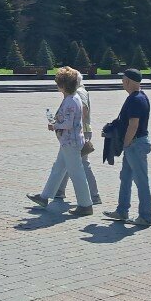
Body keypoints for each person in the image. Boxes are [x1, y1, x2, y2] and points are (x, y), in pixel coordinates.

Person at [26, 67, 92, 216]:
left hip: (71, 142)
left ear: (63, 85)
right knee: (58, 169)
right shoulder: (73, 98)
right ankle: (44, 197)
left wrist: (55, 125)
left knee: (77, 173)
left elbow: (68, 124)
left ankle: (85, 205)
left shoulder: (70, 100)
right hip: (69, 142)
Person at [103, 69, 151, 226]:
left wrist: (126, 143)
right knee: (125, 178)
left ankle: (145, 216)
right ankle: (122, 211)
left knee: (141, 180)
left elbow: (133, 124)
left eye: (123, 79)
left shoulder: (135, 99)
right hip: (135, 143)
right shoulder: (139, 96)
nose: (122, 82)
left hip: (135, 144)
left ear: (129, 81)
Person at [54, 71, 101, 204]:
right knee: (66, 161)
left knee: (82, 164)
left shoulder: (79, 92)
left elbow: (84, 110)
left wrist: (66, 121)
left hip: (78, 132)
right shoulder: (80, 90)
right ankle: (59, 190)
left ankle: (94, 196)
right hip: (76, 132)